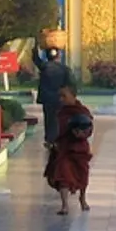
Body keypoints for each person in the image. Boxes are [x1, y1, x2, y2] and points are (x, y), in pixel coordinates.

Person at [44, 84, 93, 215]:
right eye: (60, 96)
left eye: (64, 96)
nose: (61, 99)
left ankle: (83, 199)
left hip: (79, 148)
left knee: (82, 175)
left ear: (73, 96)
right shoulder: (62, 112)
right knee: (63, 175)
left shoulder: (82, 111)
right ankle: (64, 205)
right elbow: (57, 130)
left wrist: (83, 134)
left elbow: (89, 128)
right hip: (63, 147)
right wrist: (52, 142)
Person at [33, 44, 71, 149]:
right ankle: (59, 139)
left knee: (49, 119)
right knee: (59, 119)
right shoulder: (64, 69)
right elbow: (69, 84)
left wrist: (35, 44)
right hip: (60, 98)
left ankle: (50, 140)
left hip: (47, 99)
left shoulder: (44, 67)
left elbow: (36, 59)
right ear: (58, 56)